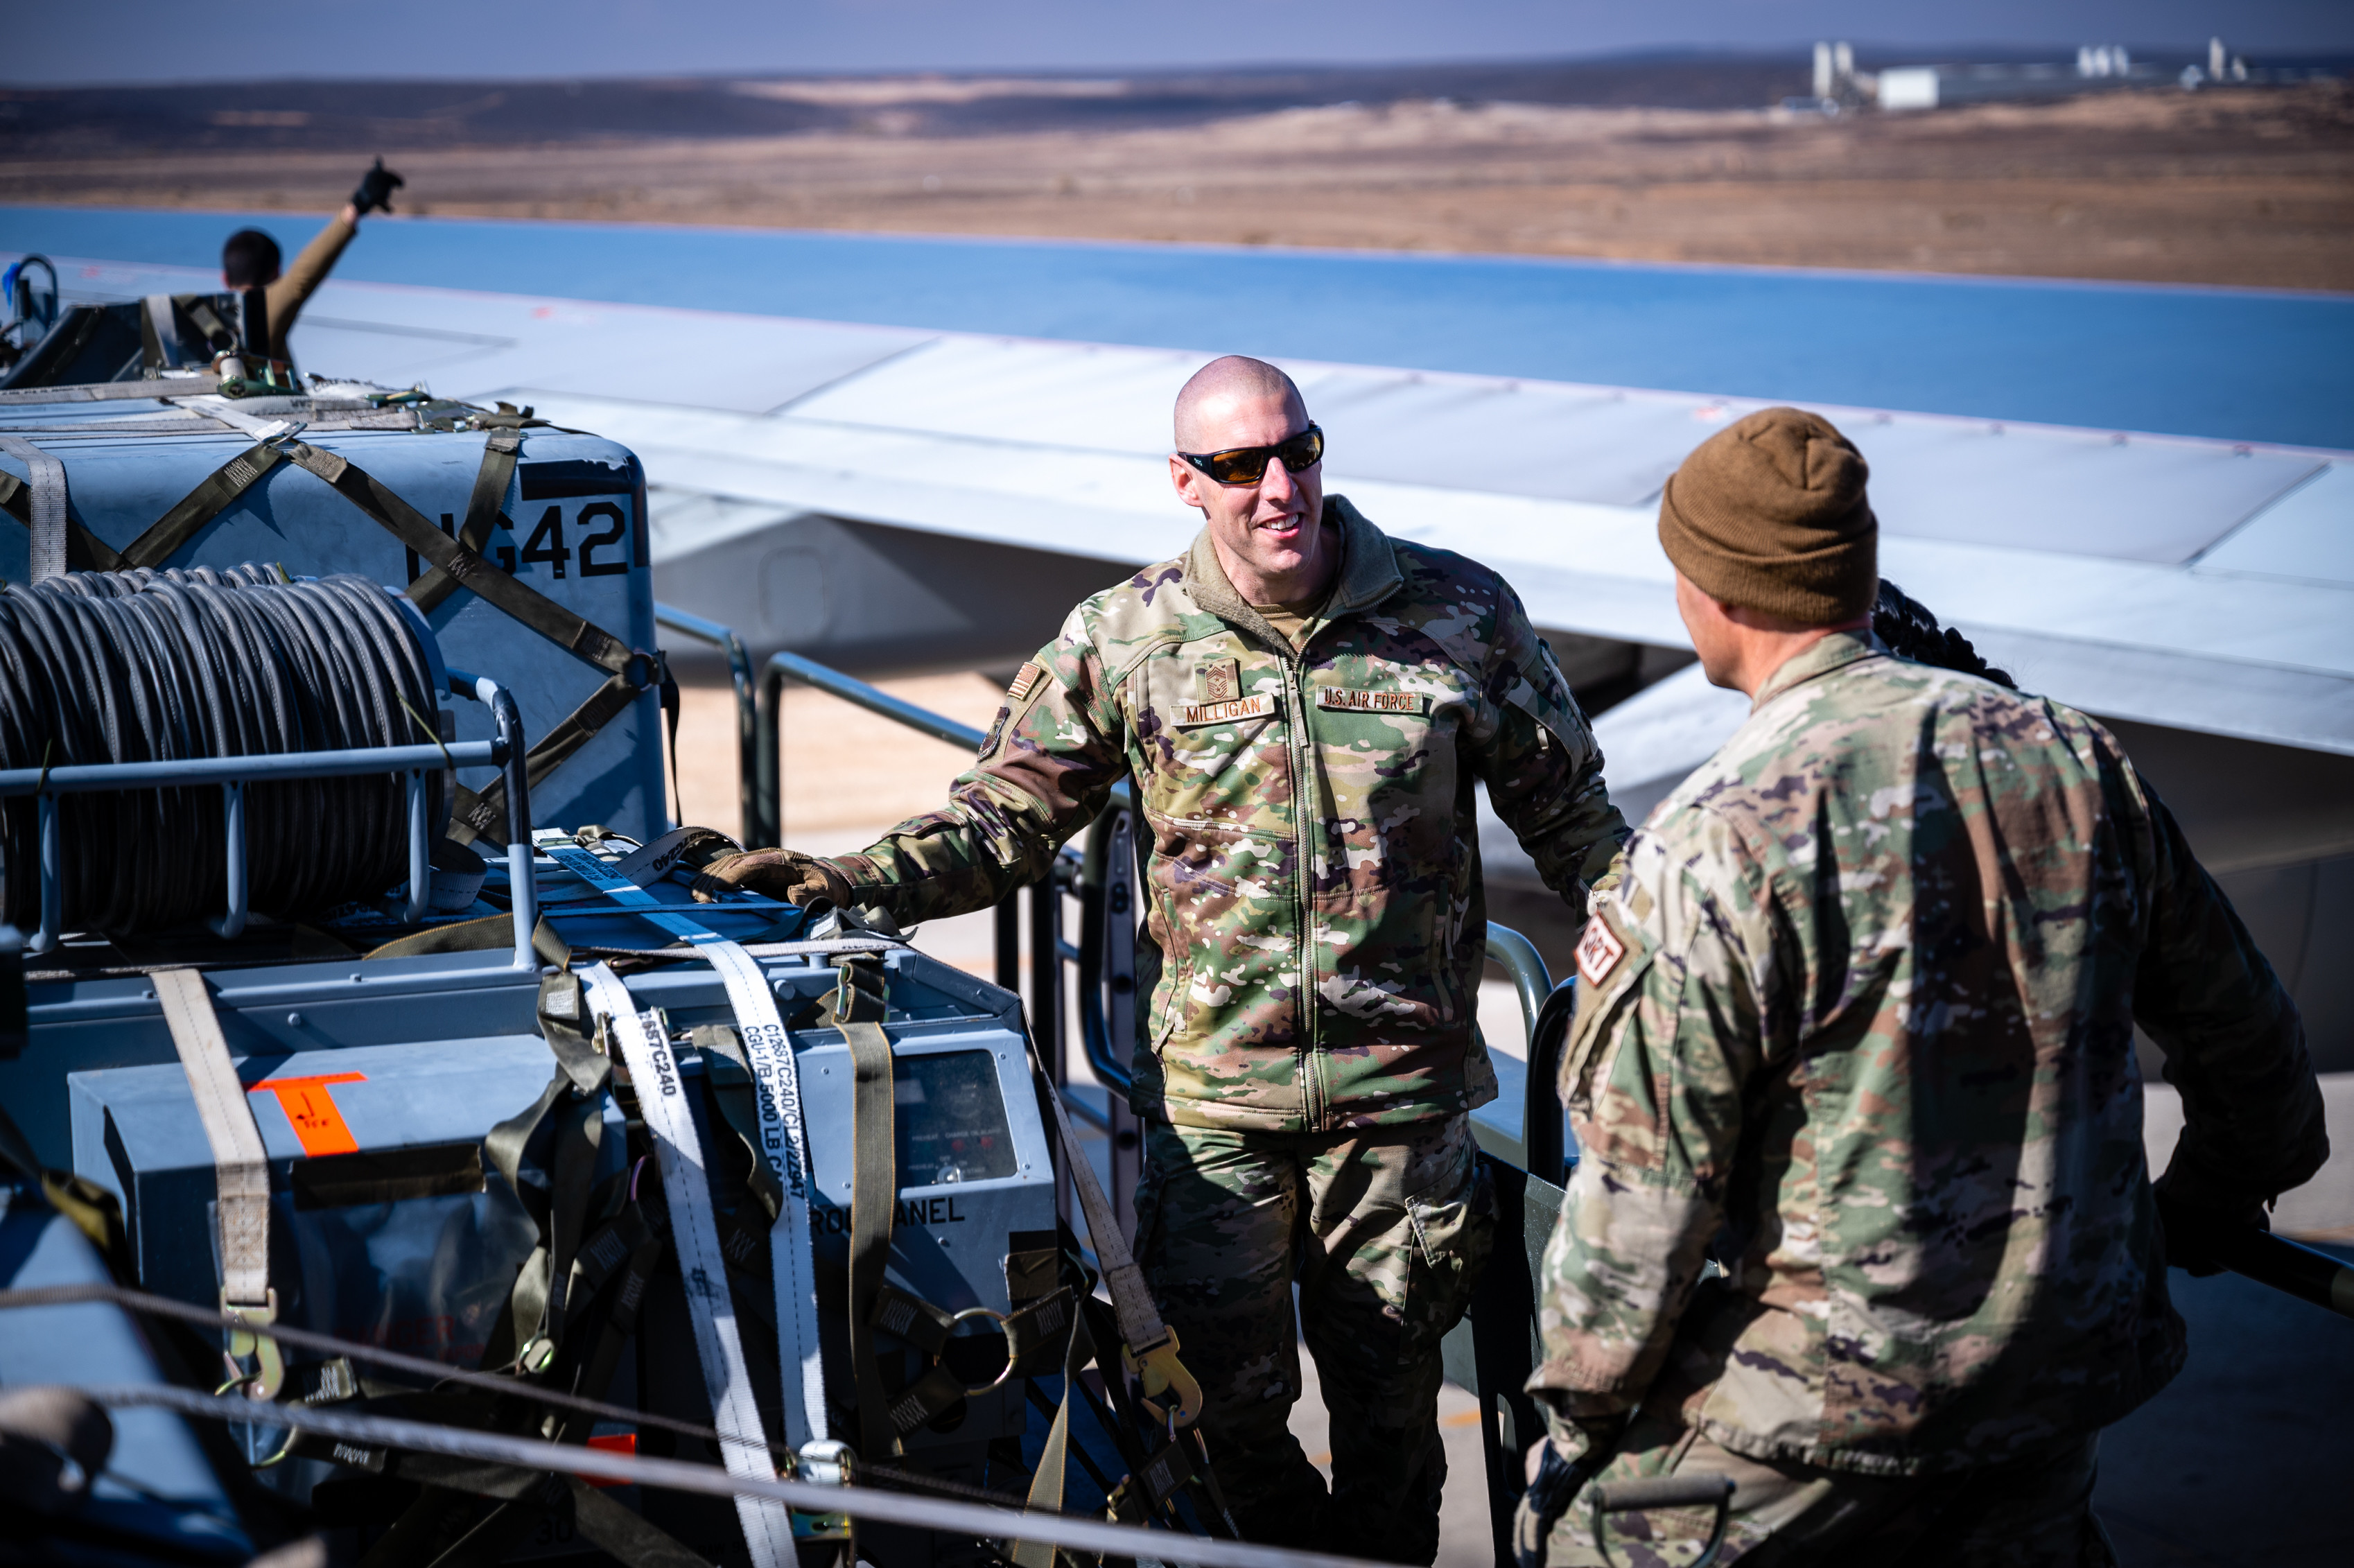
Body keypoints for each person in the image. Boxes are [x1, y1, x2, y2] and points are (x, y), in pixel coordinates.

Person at [702, 354, 1631, 1561]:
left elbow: (1576, 824)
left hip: (1400, 1118)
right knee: (1212, 1412)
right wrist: (847, 880)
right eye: (1241, 466)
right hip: (1212, 1119)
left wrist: (1663, 949)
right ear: (1189, 482)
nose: (1278, 487)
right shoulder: (1127, 638)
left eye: (1296, 451)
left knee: (1394, 1421)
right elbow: (1003, 821)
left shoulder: (1458, 617)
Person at [1517, 406, 2328, 1566]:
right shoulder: (2075, 762)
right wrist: (2193, 1210)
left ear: (1713, 590)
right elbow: (2263, 1074)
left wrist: (1577, 1420)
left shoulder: (1715, 843)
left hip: (1804, 1431)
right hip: (2044, 1404)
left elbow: (1638, 1207)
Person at [220, 158, 403, 364]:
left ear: (225, 278)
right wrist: (356, 206)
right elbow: (302, 277)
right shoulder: (260, 314)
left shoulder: (202, 323)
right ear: (276, 274)